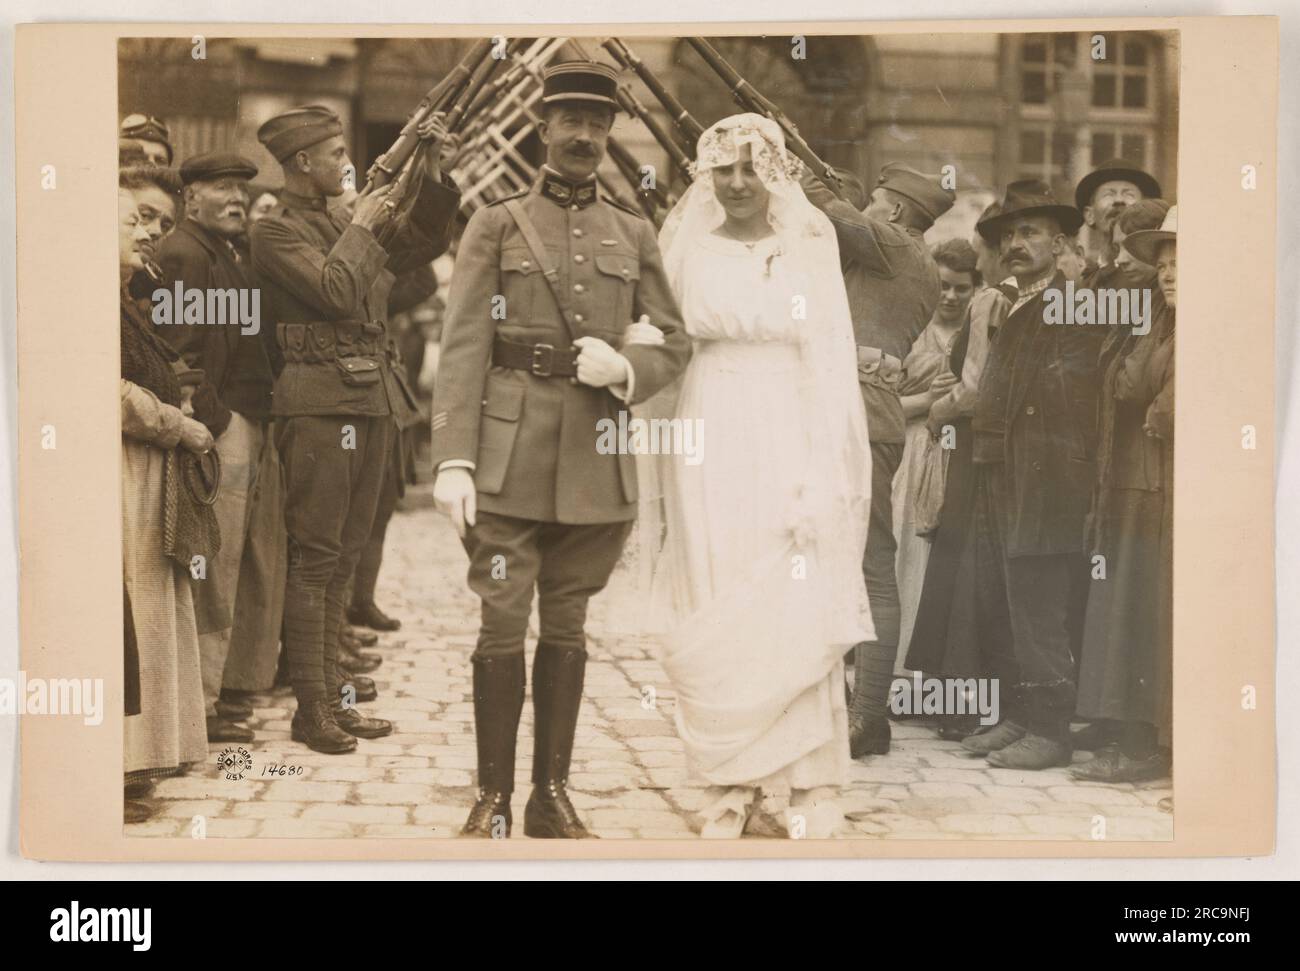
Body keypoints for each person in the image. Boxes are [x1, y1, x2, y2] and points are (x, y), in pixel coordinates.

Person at [430, 61, 691, 839]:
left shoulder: (634, 230)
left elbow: (676, 341)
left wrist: (629, 369)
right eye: (569, 120)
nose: (583, 135)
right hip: (506, 459)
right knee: (500, 624)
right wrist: (453, 457)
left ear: (610, 132)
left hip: (594, 457)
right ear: (542, 128)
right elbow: (463, 344)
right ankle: (492, 795)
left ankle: (550, 793)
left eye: (597, 122)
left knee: (569, 627)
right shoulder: (496, 223)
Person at [644, 114, 872, 838]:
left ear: (775, 173)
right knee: (717, 579)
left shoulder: (807, 242)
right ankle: (731, 780)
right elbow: (657, 340)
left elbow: (829, 354)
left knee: (793, 584)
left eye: (752, 168)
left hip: (789, 419)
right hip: (708, 422)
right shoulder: (683, 246)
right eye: (724, 169)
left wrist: (823, 460)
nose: (737, 183)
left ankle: (810, 778)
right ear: (705, 174)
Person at [250, 103, 461, 753]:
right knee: (315, 558)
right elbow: (339, 289)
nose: (346, 160)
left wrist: (433, 175)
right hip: (316, 404)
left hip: (370, 399)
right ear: (301, 163)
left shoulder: (341, 219)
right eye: (335, 151)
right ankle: (311, 710)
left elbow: (422, 249)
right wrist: (365, 221)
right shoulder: (275, 232)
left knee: (343, 553)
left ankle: (335, 695)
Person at [802, 162, 954, 757]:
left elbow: (821, 204)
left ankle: (870, 715)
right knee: (848, 561)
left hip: (860, 414)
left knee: (869, 567)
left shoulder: (894, 246)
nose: (867, 209)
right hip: (858, 412)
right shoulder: (897, 254)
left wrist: (791, 158)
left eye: (876, 201)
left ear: (892, 212)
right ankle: (850, 707)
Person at [961, 181, 1100, 770]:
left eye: (1031, 233)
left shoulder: (1072, 302)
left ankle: (1051, 729)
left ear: (1061, 240)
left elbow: (1071, 391)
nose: (1016, 244)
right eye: (1010, 235)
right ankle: (1019, 714)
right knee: (1008, 597)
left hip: (1048, 472)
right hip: (1003, 466)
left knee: (1041, 599)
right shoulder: (1009, 300)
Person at [156, 151, 283, 744]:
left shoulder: (226, 252)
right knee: (215, 564)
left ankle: (225, 689)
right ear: (191, 199)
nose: (235, 199)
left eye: (240, 189)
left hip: (244, 423)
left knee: (236, 561)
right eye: (222, 189)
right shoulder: (184, 253)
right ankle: (204, 705)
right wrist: (217, 419)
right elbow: (178, 352)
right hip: (221, 430)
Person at [118, 171, 215, 823]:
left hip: (148, 469)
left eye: (157, 223)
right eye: (137, 220)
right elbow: (104, 392)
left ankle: (142, 758)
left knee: (151, 614)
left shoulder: (126, 296)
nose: (150, 233)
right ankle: (119, 763)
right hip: (123, 471)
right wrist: (176, 423)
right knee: (129, 618)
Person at [1072, 204, 1176, 783]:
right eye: (1162, 263)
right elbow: (1126, 384)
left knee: (1151, 610)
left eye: (1180, 261)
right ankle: (1129, 730)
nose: (1168, 273)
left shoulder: (1193, 327)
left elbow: (1155, 402)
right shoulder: (1158, 322)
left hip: (1163, 486)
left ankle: (1149, 743)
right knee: (1130, 605)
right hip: (1137, 482)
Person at [905, 210, 1015, 740]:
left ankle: (960, 703)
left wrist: (937, 409)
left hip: (971, 450)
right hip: (966, 452)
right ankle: (945, 696)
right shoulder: (997, 302)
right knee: (949, 571)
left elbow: (970, 389)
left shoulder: (993, 302)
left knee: (959, 573)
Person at [892, 239, 979, 670]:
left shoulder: (977, 330)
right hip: (910, 451)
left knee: (942, 559)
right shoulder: (909, 327)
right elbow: (881, 403)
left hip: (957, 452)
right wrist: (930, 399)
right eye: (943, 286)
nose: (950, 297)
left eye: (961, 289)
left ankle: (936, 670)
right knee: (907, 551)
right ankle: (898, 671)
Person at [1074, 158, 1161, 281]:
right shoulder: (1084, 282)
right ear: (1089, 215)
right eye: (1108, 194)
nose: (1119, 200)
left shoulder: (1157, 278)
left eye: (1129, 194)